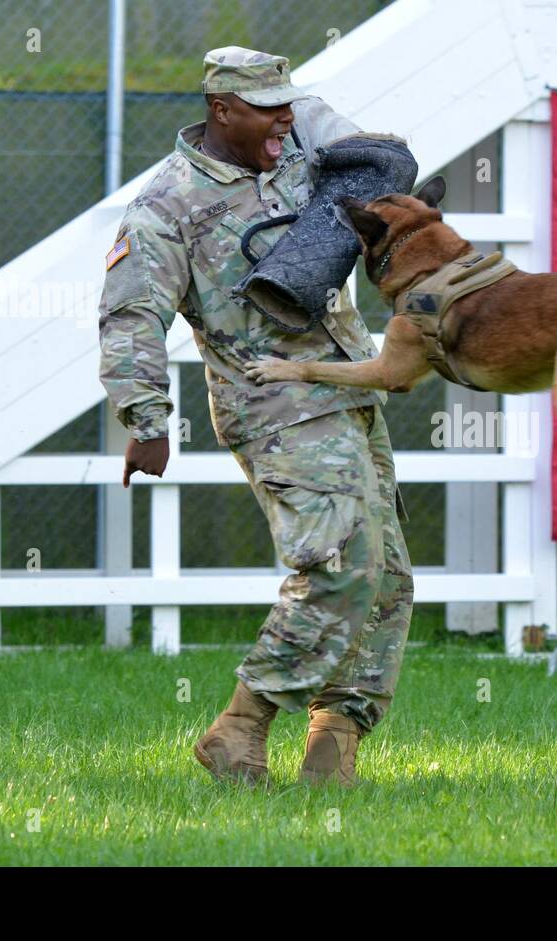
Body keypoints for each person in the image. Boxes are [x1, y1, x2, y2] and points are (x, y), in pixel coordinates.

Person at [97, 46, 414, 787]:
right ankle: (239, 727)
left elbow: (376, 174)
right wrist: (146, 420)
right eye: (268, 106)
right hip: (272, 406)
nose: (285, 115)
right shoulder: (165, 205)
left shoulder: (301, 159)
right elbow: (129, 316)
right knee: (337, 569)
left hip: (347, 388)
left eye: (288, 101)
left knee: (388, 577)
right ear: (220, 110)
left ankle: (333, 751)